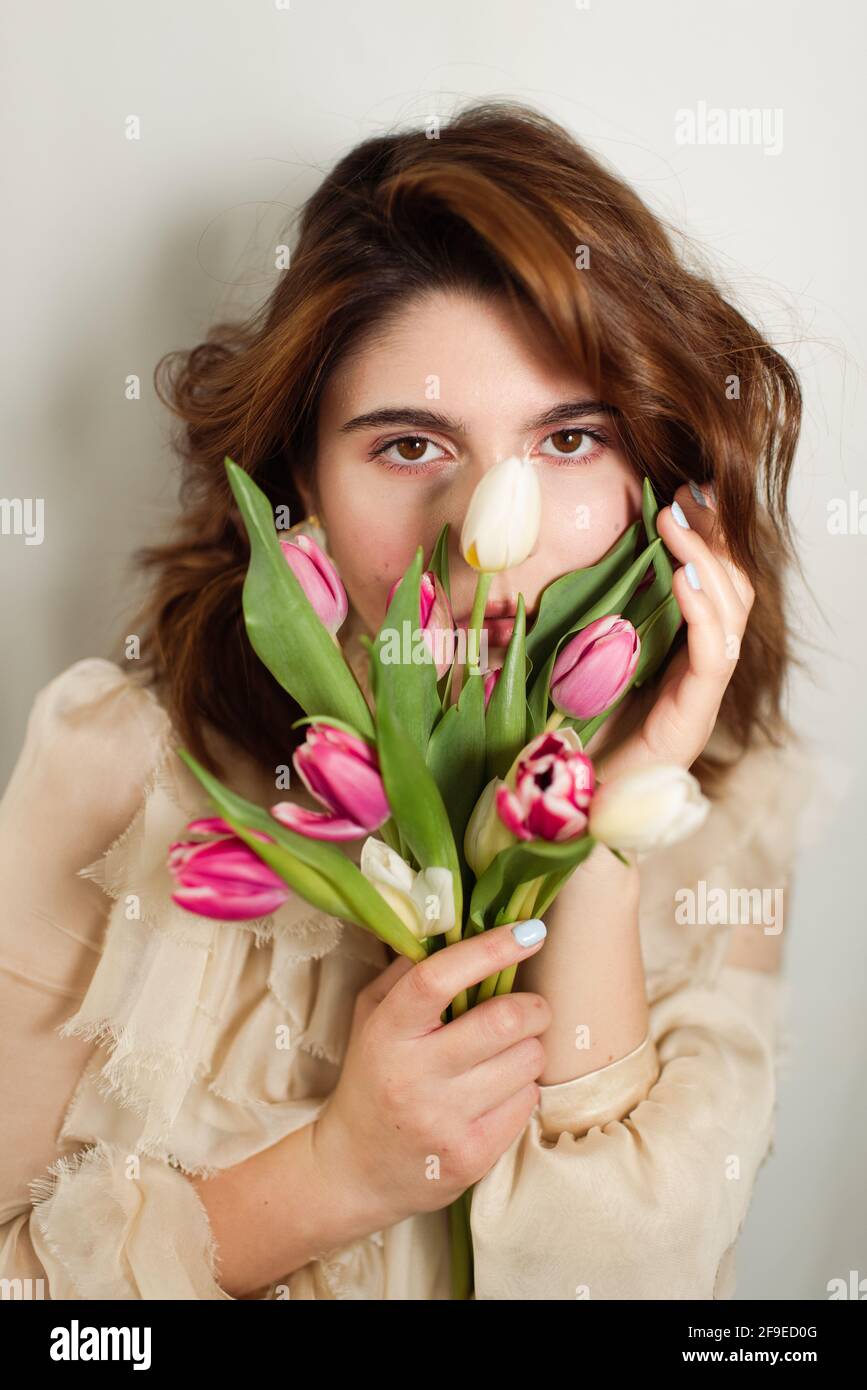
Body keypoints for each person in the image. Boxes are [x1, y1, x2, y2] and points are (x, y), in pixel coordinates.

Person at [0, 100, 816, 1300]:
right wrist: (342, 1175)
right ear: (302, 491)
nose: (496, 529)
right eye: (408, 446)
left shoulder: (731, 818)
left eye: (571, 439)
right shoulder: (113, 768)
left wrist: (599, 834)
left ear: (658, 470)